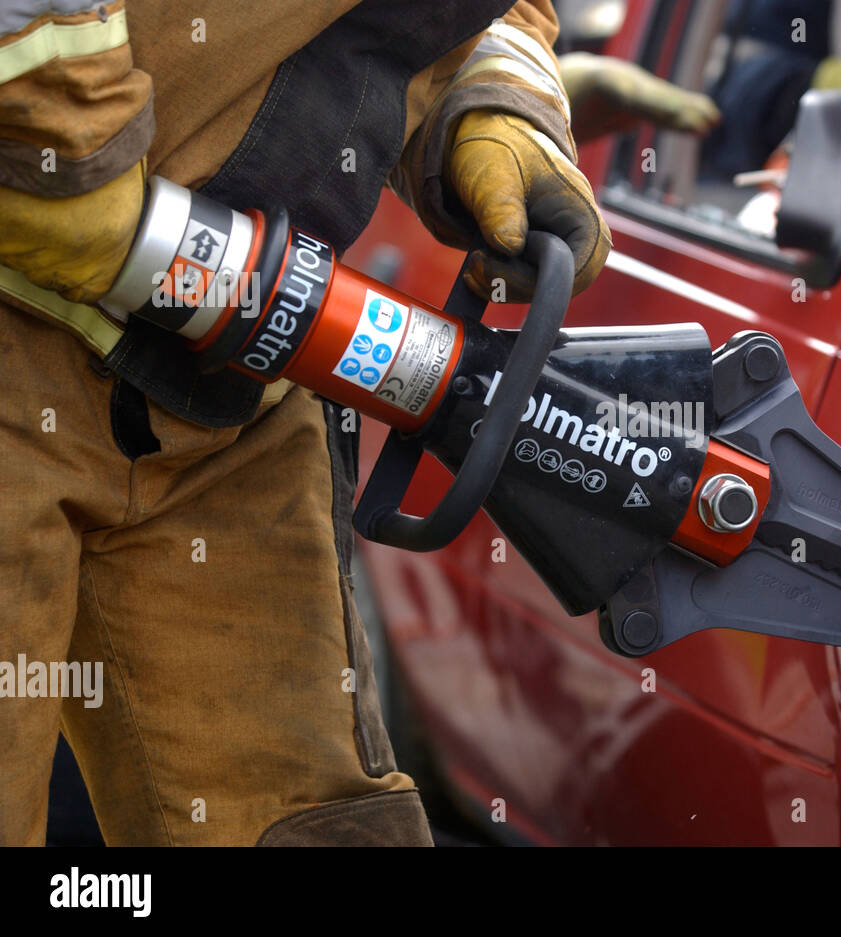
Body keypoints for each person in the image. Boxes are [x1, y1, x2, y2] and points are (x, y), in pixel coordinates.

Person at [0, 0, 609, 846]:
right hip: (22, 308)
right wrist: (61, 146)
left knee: (306, 824)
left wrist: (497, 103)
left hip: (226, 392)